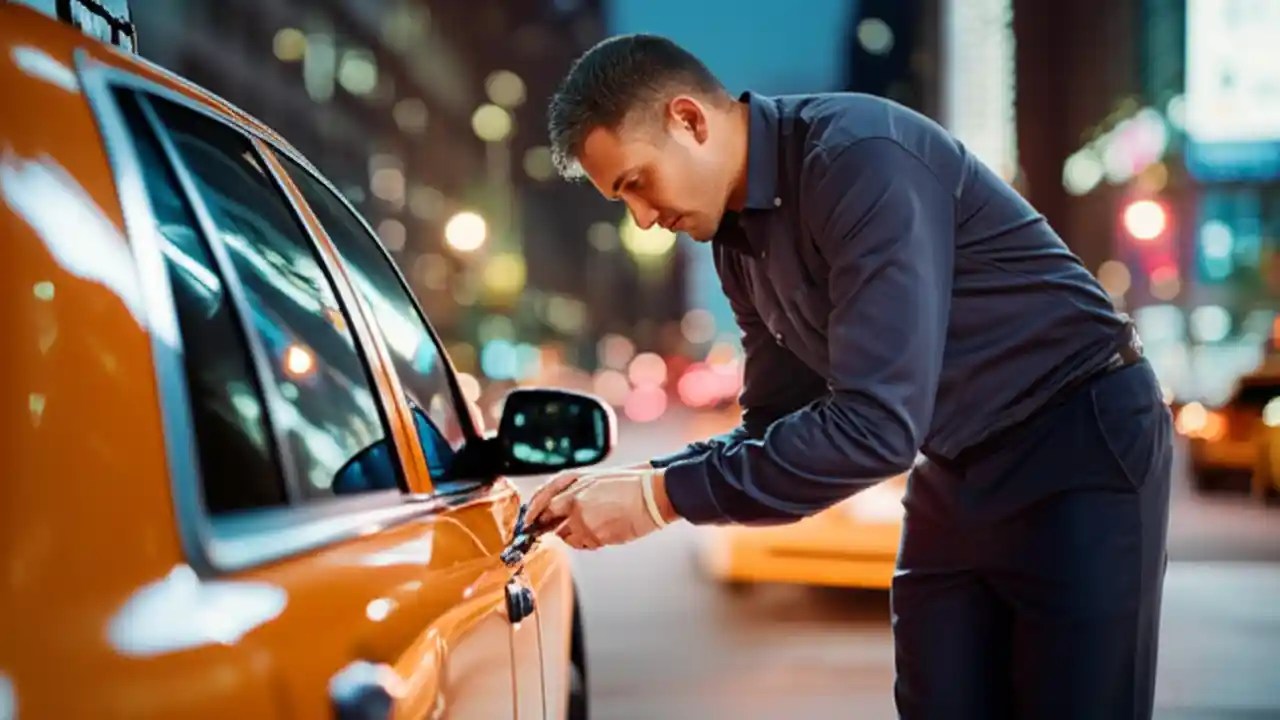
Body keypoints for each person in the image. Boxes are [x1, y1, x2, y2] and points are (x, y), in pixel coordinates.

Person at [527, 33, 1172, 720]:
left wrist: (659, 498)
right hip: (953, 461)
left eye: (635, 183)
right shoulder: (736, 244)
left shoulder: (859, 160)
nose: (644, 218)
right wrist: (641, 478)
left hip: (1080, 439)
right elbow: (776, 429)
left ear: (689, 120)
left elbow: (873, 429)